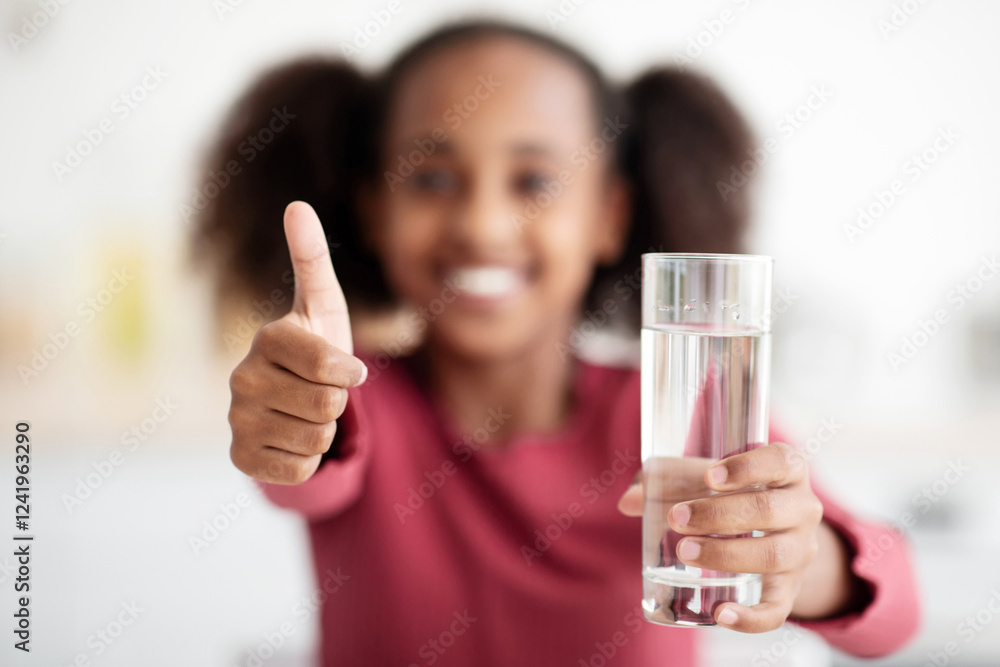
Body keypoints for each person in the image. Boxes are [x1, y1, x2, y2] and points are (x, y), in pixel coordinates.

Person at [198, 20, 920, 666]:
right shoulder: (351, 399)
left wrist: (804, 561)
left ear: (609, 214)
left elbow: (897, 614)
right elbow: (307, 460)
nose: (482, 224)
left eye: (535, 181)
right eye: (433, 178)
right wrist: (290, 415)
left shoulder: (678, 414)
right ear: (374, 211)